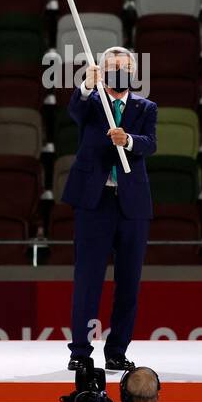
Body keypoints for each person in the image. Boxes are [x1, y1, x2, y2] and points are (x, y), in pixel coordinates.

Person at [61, 47, 157, 373]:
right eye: (113, 69)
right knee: (87, 279)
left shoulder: (145, 107)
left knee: (129, 281)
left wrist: (128, 140)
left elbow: (151, 143)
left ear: (133, 73)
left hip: (131, 205)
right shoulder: (91, 104)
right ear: (103, 72)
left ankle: (117, 351)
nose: (120, 74)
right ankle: (80, 352)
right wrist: (87, 86)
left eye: (125, 69)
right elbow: (75, 111)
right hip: (94, 202)